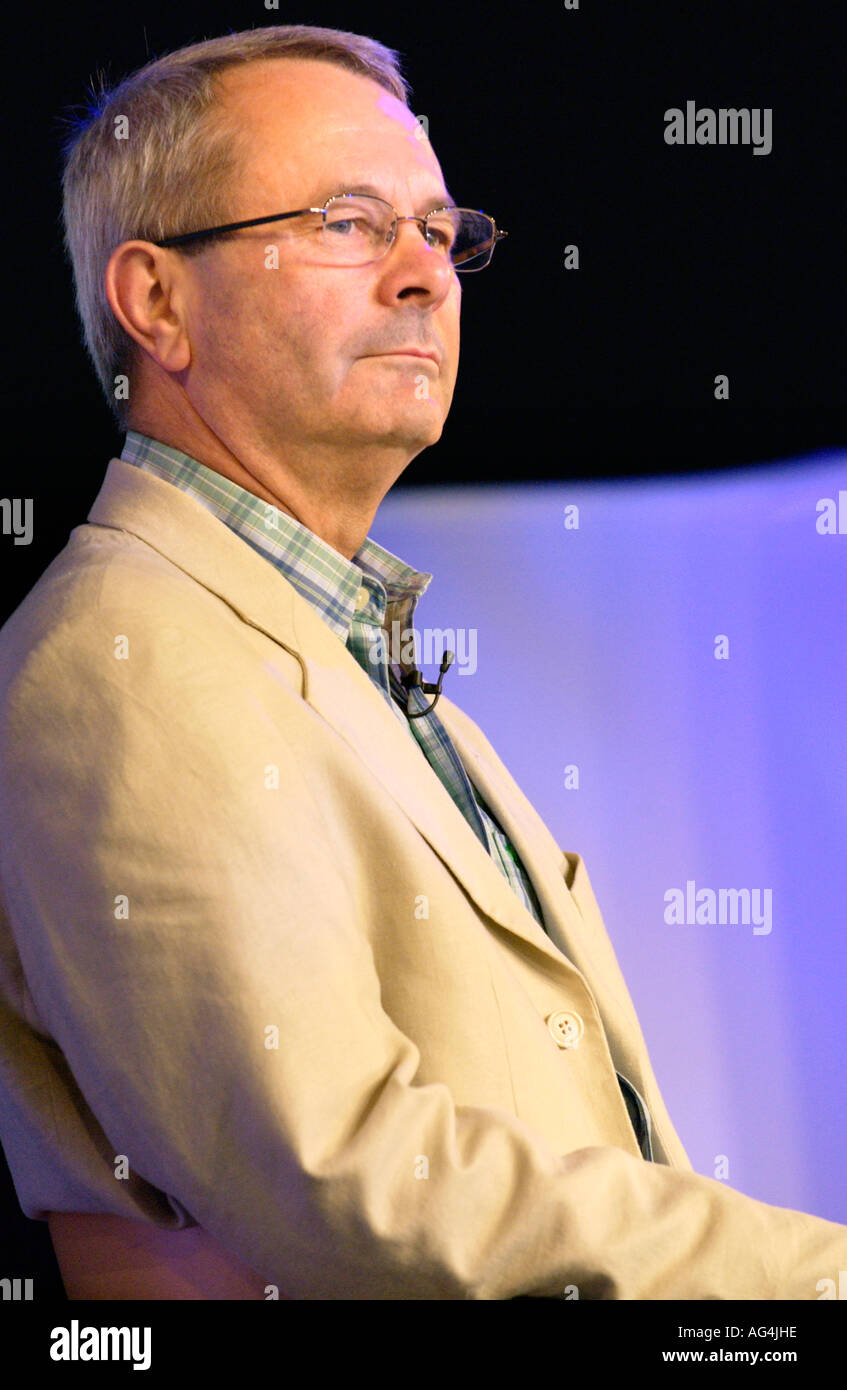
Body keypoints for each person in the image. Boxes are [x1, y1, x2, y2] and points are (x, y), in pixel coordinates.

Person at [0, 23, 844, 1300]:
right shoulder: (121, 662)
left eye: (441, 232)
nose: (425, 276)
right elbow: (346, 1177)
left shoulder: (338, 652)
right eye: (347, 221)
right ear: (156, 300)